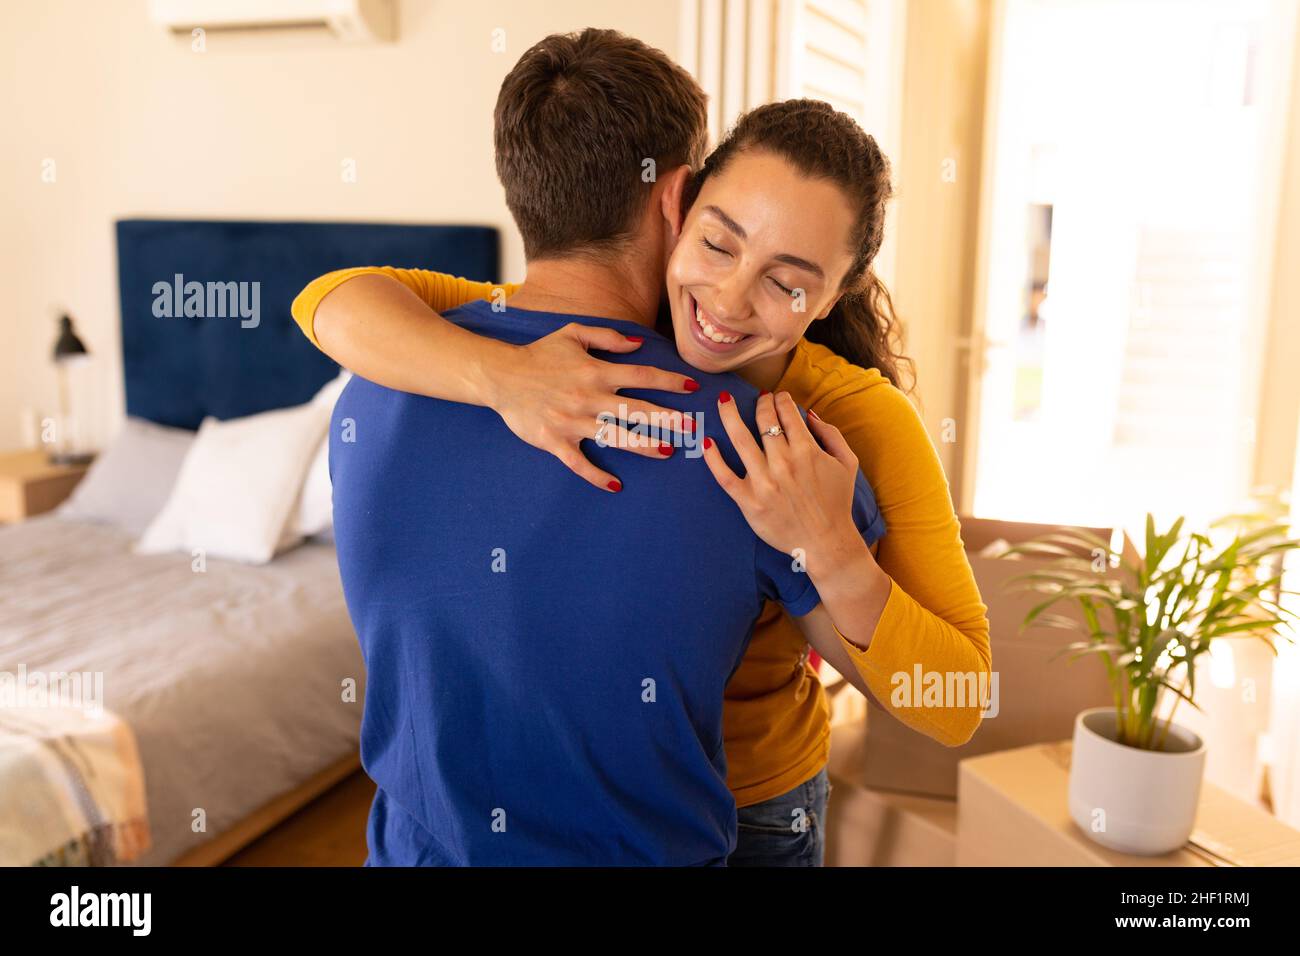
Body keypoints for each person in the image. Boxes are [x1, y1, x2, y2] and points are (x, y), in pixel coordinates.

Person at [321, 28, 890, 866]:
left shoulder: (371, 389)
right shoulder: (755, 441)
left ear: (521, 189)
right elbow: (897, 678)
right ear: (678, 199)